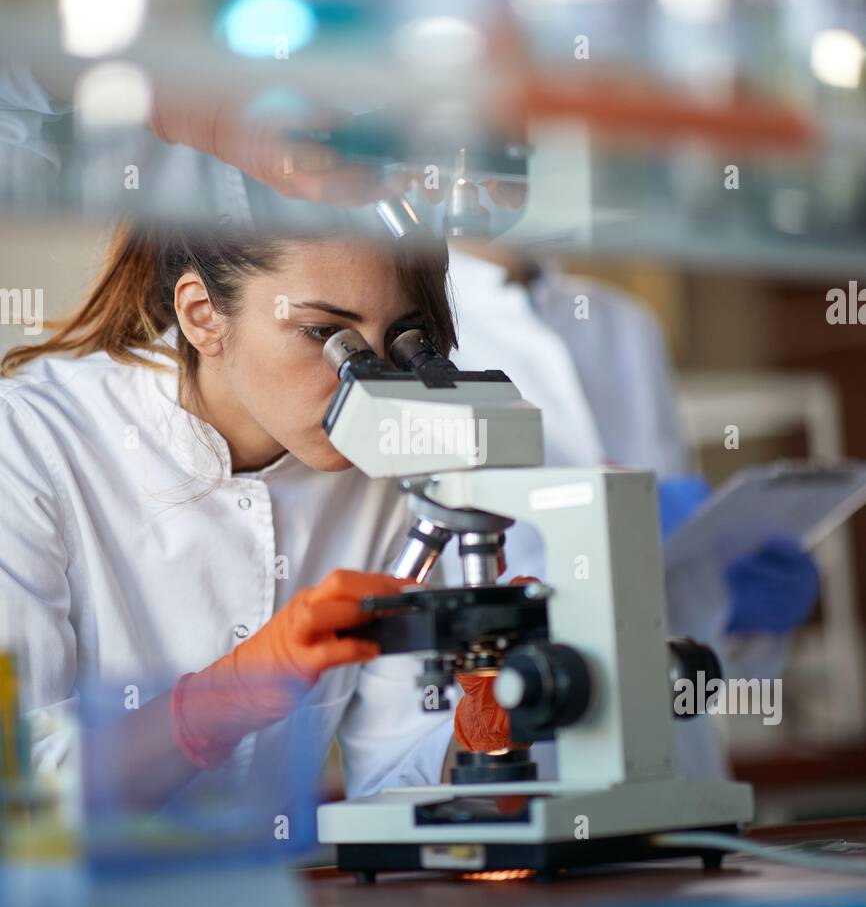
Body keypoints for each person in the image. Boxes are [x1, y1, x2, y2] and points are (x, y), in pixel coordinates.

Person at [0, 222, 512, 815]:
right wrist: (225, 698)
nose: (368, 383)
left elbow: (397, 789)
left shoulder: (386, 466)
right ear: (201, 316)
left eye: (399, 340)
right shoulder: (29, 443)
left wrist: (483, 739)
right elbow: (19, 796)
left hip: (280, 891)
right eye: (326, 334)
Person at [444, 241, 821, 775]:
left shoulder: (624, 323)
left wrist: (728, 589)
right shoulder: (422, 330)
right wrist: (627, 538)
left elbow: (672, 583)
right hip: (528, 751)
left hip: (677, 755)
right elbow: (449, 586)